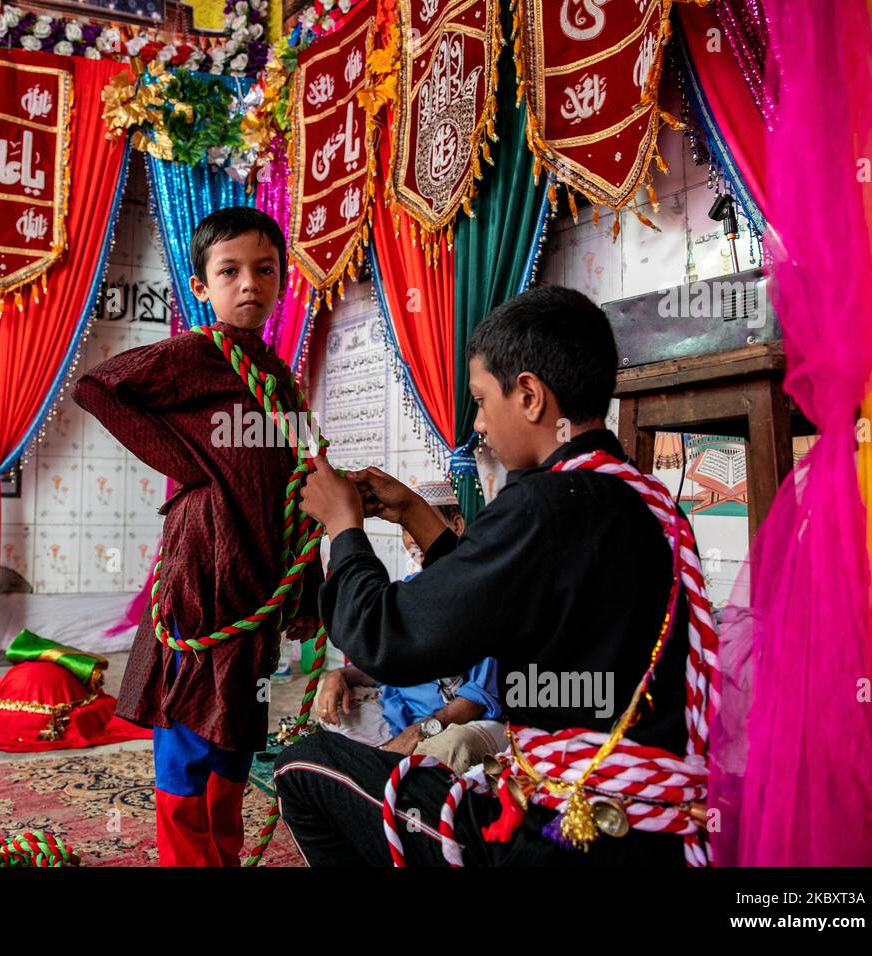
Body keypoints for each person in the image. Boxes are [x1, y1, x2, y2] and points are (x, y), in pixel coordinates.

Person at [280, 285, 717, 867]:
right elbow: (489, 590)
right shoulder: (644, 501)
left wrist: (343, 526)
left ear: (531, 396)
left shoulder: (542, 506)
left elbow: (388, 637)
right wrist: (413, 511)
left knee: (304, 766)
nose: (479, 424)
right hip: (650, 834)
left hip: (563, 834)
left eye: (483, 400)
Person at [72, 206, 320, 867]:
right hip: (202, 581)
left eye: (264, 270)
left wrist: (310, 592)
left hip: (254, 594)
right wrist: (188, 462)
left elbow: (303, 490)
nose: (249, 284)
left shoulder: (280, 381)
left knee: (237, 736)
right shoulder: (196, 354)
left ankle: (224, 855)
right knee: (187, 739)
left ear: (281, 279)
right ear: (202, 286)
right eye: (230, 271)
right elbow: (99, 387)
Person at [316, 481, 506, 772]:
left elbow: (475, 702)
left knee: (452, 747)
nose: (413, 538)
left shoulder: (481, 592)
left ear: (456, 525)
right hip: (401, 718)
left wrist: (419, 733)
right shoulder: (408, 590)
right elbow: (386, 661)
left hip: (460, 723)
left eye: (420, 524)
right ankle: (392, 764)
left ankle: (394, 772)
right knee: (334, 707)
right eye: (407, 529)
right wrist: (337, 675)